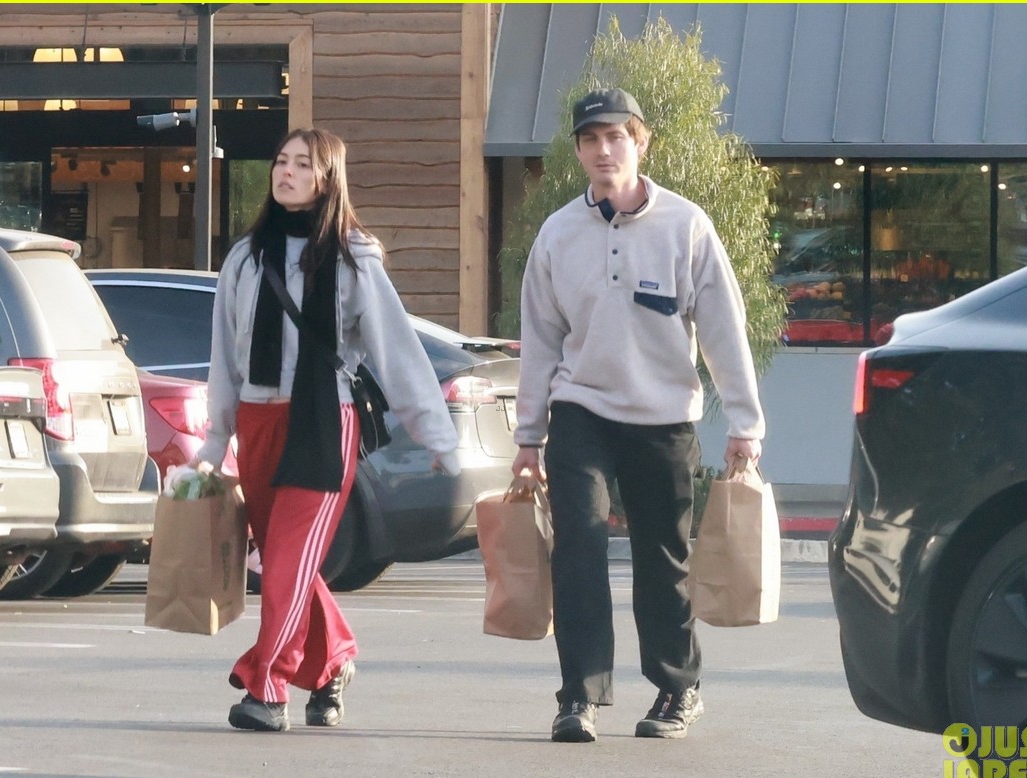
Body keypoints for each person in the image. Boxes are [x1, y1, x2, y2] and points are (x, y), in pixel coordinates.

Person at [511, 89, 766, 742]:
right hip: (581, 412)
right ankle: (581, 696)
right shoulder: (559, 234)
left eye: (615, 137)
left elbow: (723, 328)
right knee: (579, 550)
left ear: (640, 142)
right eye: (590, 140)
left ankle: (677, 689)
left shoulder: (686, 226)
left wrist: (745, 422)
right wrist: (529, 436)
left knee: (663, 560)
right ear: (578, 151)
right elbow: (540, 339)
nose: (603, 150)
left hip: (663, 418)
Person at [194, 127, 461, 732]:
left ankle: (268, 686)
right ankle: (334, 657)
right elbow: (223, 356)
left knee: (285, 561)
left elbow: (397, 352)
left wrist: (438, 438)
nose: (286, 173)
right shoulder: (244, 257)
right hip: (260, 423)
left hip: (324, 420)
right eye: (281, 161)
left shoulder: (353, 259)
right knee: (291, 561)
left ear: (328, 178)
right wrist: (216, 438)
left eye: (303, 165)